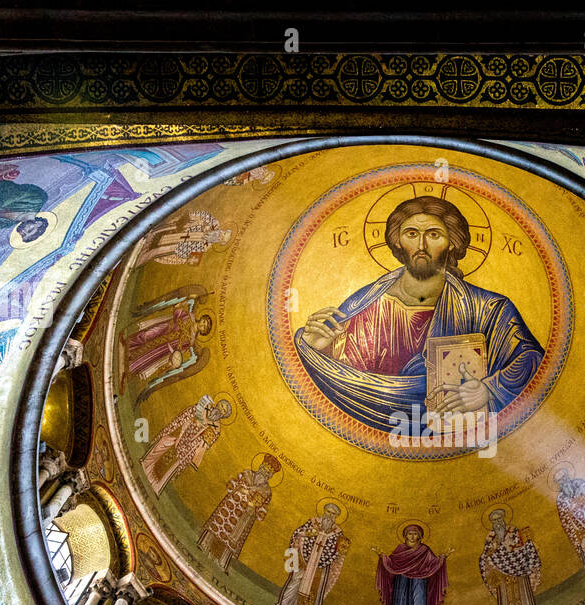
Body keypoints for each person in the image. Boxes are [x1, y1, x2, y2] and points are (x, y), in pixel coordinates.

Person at [296, 196, 544, 430]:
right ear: (397, 242)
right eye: (411, 234)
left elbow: (532, 360)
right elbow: (344, 381)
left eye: (434, 235)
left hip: (455, 437)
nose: (421, 245)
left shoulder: (487, 309)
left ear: (452, 243)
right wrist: (316, 350)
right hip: (373, 434)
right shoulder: (363, 307)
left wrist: (489, 389)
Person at [198, 456, 281, 573]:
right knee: (217, 525)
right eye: (265, 469)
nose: (266, 473)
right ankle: (204, 544)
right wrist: (238, 489)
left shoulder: (267, 490)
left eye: (269, 472)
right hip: (231, 506)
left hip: (245, 516)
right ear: (261, 466)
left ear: (271, 476)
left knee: (232, 540)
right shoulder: (247, 474)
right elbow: (231, 484)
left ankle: (223, 562)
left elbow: (263, 510)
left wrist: (257, 510)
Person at [373, 524, 451, 605]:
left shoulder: (424, 550)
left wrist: (443, 557)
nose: (412, 536)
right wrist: (382, 556)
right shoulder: (400, 549)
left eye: (415, 534)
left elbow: (432, 564)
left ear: (419, 536)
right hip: (402, 581)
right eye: (410, 533)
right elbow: (392, 563)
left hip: (419, 580)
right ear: (405, 536)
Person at [140, 396, 232, 495]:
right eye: (222, 406)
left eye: (223, 411)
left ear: (224, 415)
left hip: (188, 448)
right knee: (164, 443)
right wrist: (185, 429)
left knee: (173, 465)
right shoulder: (204, 407)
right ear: (218, 403)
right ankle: (146, 464)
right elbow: (186, 415)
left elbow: (204, 445)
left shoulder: (216, 429)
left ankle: (156, 485)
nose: (220, 410)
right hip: (179, 432)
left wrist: (194, 440)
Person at [276, 503, 351, 605]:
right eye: (328, 512)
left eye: (333, 514)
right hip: (303, 558)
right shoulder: (313, 522)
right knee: (296, 580)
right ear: (324, 511)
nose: (329, 516)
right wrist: (308, 534)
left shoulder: (337, 533)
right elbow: (298, 533)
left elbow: (338, 552)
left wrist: (330, 555)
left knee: (316, 588)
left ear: (336, 516)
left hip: (321, 566)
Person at [478, 509, 541, 605]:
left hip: (517, 564)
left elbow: (519, 543)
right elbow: (486, 553)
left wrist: (511, 549)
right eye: (494, 520)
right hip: (500, 571)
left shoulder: (513, 530)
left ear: (503, 519)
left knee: (521, 590)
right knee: (505, 594)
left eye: (499, 519)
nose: (497, 522)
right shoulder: (490, 537)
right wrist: (493, 552)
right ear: (491, 523)